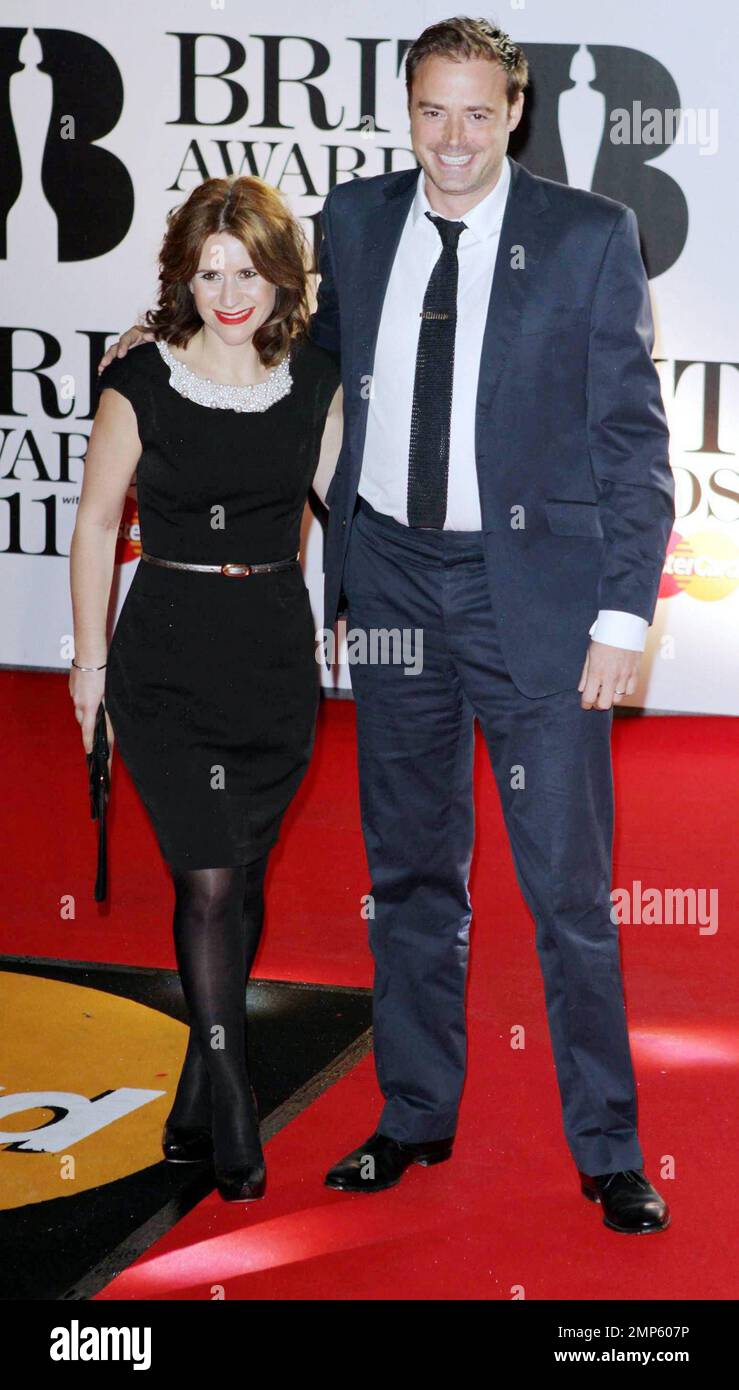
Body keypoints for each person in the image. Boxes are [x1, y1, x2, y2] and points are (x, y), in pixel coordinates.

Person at [100, 18, 675, 1235]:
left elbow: (632, 442)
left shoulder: (586, 238)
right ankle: (413, 1113)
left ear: (514, 110)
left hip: (538, 597)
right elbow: (280, 354)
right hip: (396, 584)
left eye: (477, 112)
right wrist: (162, 341)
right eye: (431, 111)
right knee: (410, 874)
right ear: (403, 110)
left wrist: (624, 610)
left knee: (565, 886)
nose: (453, 139)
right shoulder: (354, 225)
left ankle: (608, 1144)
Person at [71, 175, 339, 1203]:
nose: (229, 294)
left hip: (272, 656)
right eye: (208, 271)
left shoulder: (314, 383)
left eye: (248, 271)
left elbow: (352, 506)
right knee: (208, 882)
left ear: (282, 276)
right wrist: (88, 667)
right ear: (183, 277)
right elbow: (97, 525)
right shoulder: (139, 379)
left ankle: (192, 1085)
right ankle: (231, 1095)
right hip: (167, 659)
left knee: (244, 874)